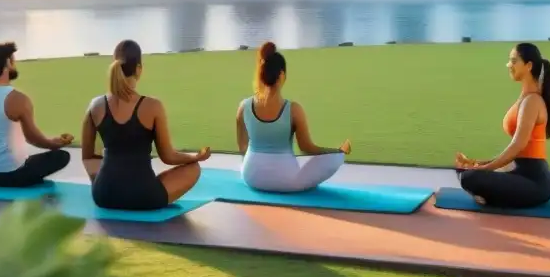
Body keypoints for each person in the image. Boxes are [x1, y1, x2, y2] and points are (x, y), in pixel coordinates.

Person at [81, 39, 210, 210]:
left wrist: (101, 184)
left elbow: (88, 156)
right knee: (194, 169)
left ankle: (112, 187)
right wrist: (195, 157)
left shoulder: (95, 105)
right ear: (138, 69)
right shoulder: (153, 106)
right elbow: (168, 157)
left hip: (103, 196)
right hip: (144, 196)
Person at [455, 42, 550, 209]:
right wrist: (477, 163)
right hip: (517, 171)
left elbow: (518, 145)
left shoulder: (532, 101)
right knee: (464, 171)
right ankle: (487, 194)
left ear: (528, 66)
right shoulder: (525, 99)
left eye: (513, 61)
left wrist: (487, 168)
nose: (509, 65)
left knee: (470, 178)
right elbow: (515, 158)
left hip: (535, 181)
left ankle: (488, 196)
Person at [236, 42, 351, 192]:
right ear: (282, 75)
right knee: (336, 158)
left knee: (245, 161)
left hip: (251, 177)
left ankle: (251, 168)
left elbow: (242, 146)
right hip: (286, 180)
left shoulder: (244, 106)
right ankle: (341, 151)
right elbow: (307, 148)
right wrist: (336, 151)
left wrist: (254, 165)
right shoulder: (294, 110)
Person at [0, 41, 74, 187]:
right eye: (14, 61)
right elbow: (33, 139)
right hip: (9, 175)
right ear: (8, 63)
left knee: (26, 160)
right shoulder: (19, 99)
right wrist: (55, 143)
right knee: (62, 157)